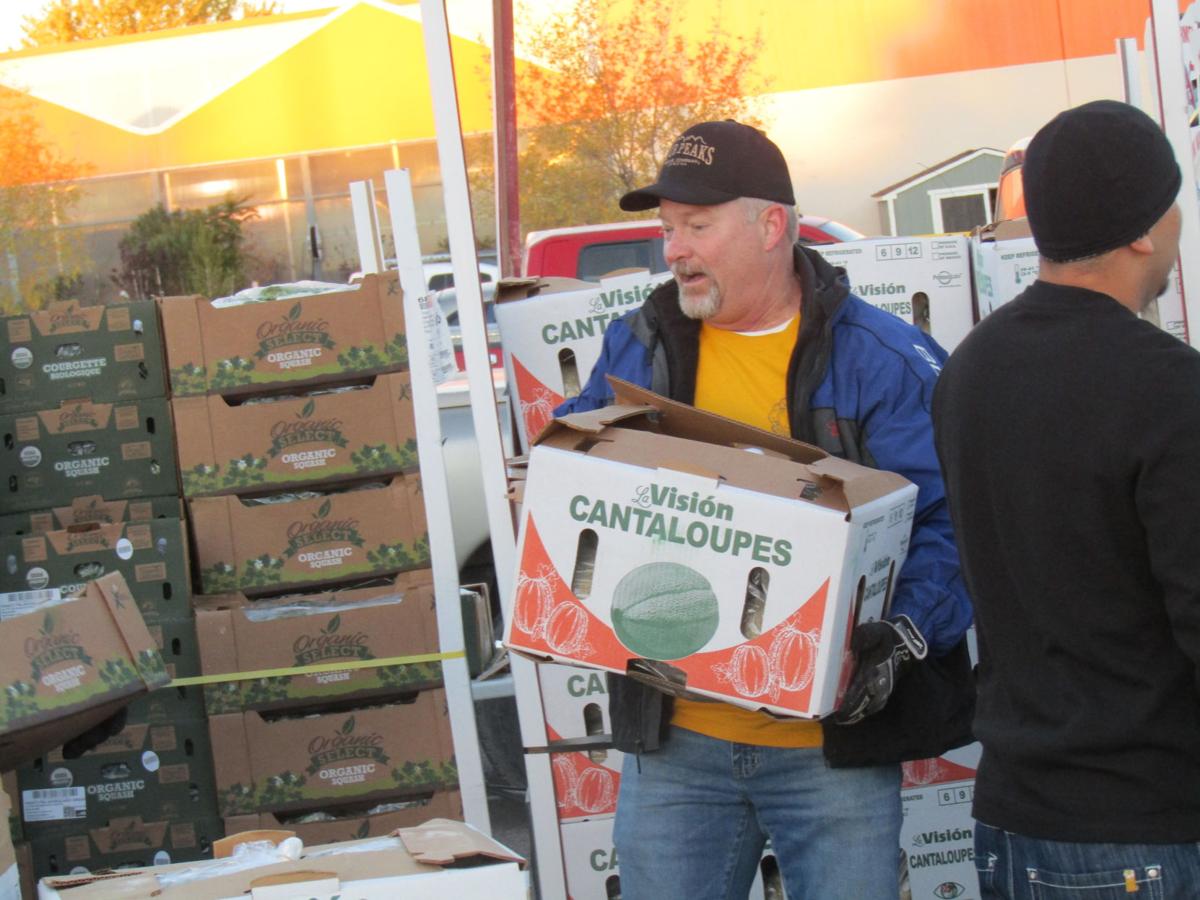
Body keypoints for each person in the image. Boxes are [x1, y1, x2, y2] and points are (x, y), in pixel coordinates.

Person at [557, 120, 974, 899]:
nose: (673, 249)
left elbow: (955, 526)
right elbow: (571, 478)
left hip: (829, 752)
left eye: (696, 226)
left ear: (770, 224)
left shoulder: (881, 361)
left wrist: (902, 634)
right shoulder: (636, 348)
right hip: (677, 745)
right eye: (666, 228)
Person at [932, 99, 1200, 898]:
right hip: (1136, 824)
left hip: (1012, 810)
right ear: (1144, 229)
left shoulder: (968, 371)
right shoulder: (1165, 386)